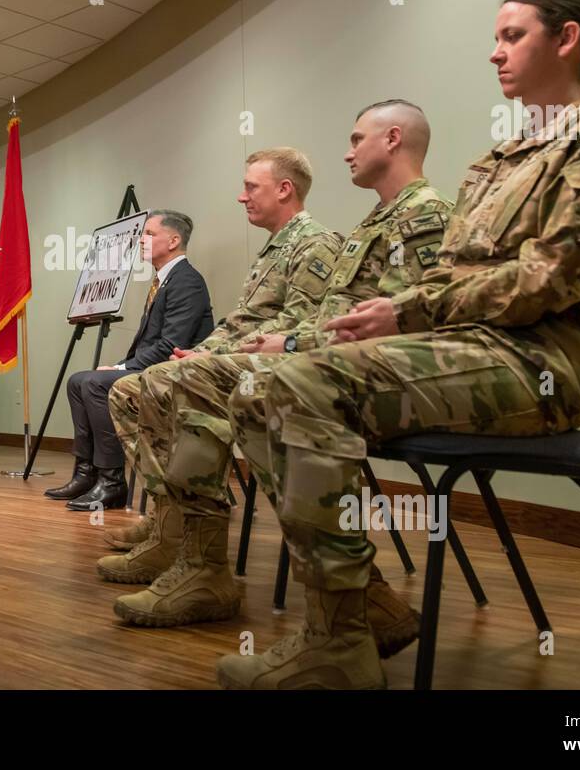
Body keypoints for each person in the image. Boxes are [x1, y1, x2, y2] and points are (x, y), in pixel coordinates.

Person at [219, 0, 580, 689]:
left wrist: (409, 314)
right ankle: (360, 607)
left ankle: (337, 644)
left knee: (301, 384)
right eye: (497, 37)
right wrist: (390, 315)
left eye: (513, 35)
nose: (495, 52)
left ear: (568, 39)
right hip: (471, 350)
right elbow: (450, 277)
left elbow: (551, 280)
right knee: (256, 386)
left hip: (544, 366)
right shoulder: (498, 164)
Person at [106, 103, 453, 656]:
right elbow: (275, 323)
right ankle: (184, 541)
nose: (347, 150)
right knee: (148, 382)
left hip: (369, 378)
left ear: (392, 140)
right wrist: (215, 349)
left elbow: (400, 320)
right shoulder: (371, 224)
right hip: (326, 366)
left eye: (356, 138)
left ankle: (224, 569)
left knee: (199, 383)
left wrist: (286, 346)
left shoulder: (410, 219)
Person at [100, 148, 343, 626]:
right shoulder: (273, 249)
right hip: (244, 366)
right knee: (131, 388)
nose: (241, 196)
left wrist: (212, 359)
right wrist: (207, 349)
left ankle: (204, 564)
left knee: (186, 380)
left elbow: (293, 327)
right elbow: (242, 322)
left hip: (287, 375)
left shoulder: (314, 244)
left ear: (284, 189)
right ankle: (171, 530)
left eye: (251, 187)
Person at [46, 210, 213, 511]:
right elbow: (150, 344)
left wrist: (122, 368)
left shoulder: (186, 280)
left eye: (150, 234)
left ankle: (112, 483)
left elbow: (171, 344)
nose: (141, 240)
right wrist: (122, 364)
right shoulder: (164, 280)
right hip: (153, 368)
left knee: (96, 384)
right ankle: (87, 473)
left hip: (178, 374)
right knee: (77, 381)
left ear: (174, 240)